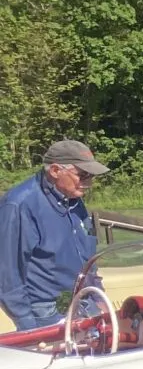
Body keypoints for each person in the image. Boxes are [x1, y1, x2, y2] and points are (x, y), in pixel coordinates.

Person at [0, 140, 104, 330]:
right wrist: (29, 327)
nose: (89, 183)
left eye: (92, 176)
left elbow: (87, 254)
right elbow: (7, 275)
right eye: (83, 175)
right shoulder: (18, 205)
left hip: (86, 303)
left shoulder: (73, 199)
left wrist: (99, 297)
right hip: (46, 313)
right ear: (55, 170)